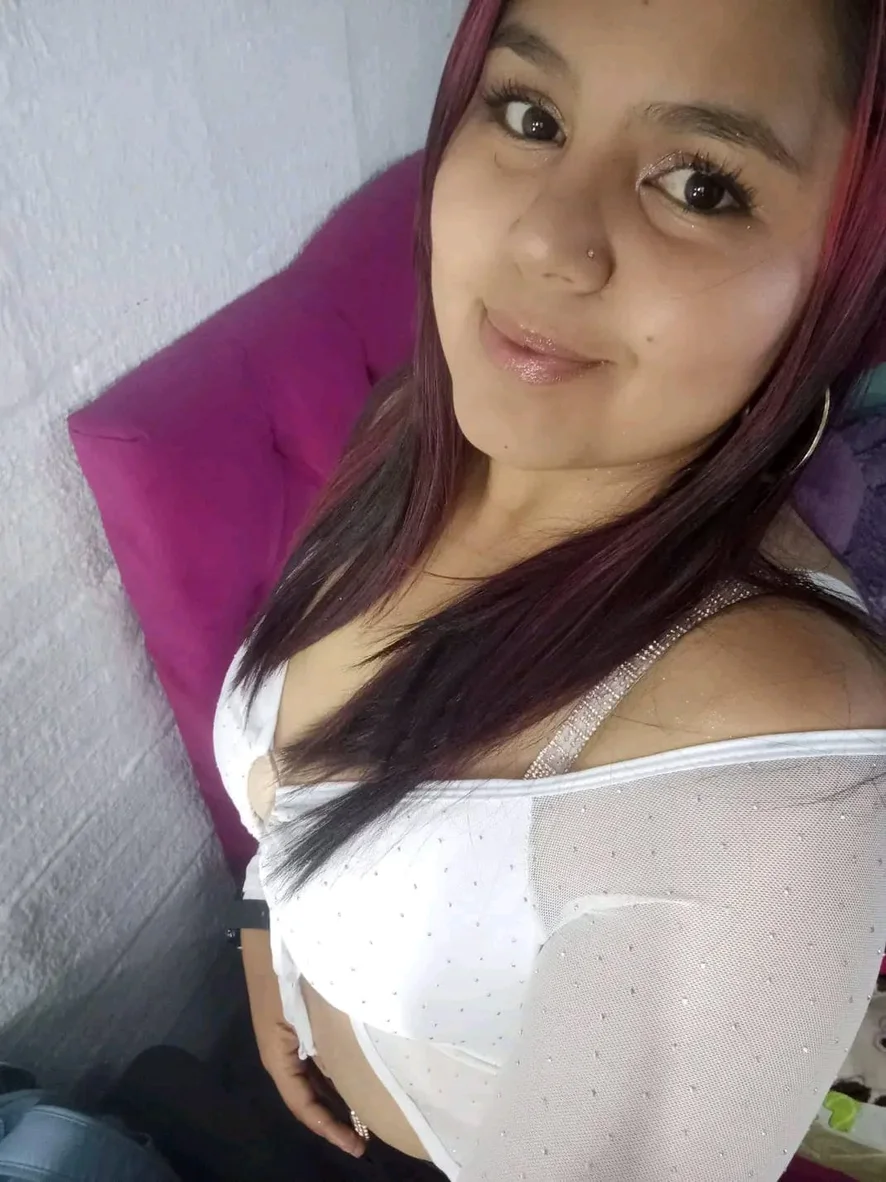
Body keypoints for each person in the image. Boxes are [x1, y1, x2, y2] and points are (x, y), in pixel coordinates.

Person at [214, 1, 886, 1178]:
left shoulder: (764, 751)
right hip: (282, 1056)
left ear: (836, 282)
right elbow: (291, 805)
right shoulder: (418, 431)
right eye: (529, 116)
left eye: (701, 186)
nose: (545, 239)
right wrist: (265, 930)